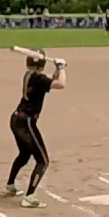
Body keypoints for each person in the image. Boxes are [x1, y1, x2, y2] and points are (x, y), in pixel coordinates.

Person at [4, 48, 67, 208]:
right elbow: (60, 84)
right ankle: (30, 196)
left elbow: (50, 81)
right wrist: (62, 68)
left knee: (24, 155)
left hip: (16, 119)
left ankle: (10, 185)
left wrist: (57, 69)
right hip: (26, 123)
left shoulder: (30, 76)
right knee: (43, 160)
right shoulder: (38, 79)